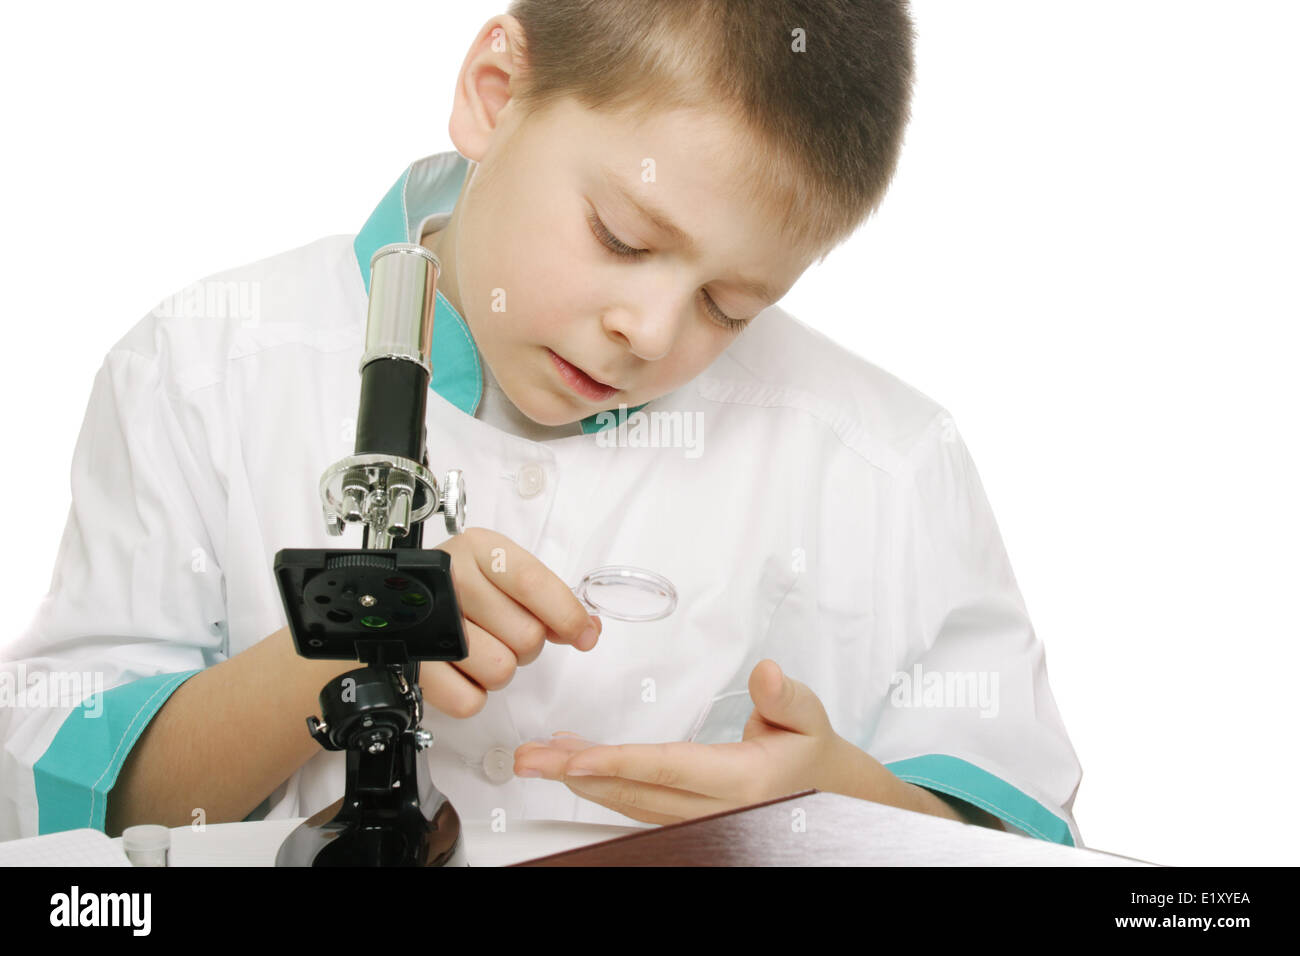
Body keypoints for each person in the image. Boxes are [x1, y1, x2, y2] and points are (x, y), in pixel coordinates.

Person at [0, 0, 1084, 848]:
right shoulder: (199, 368)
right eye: (621, 235)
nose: (649, 333)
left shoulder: (883, 461)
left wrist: (834, 797)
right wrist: (353, 638)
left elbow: (1026, 843)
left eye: (730, 305)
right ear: (494, 89)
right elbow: (62, 796)